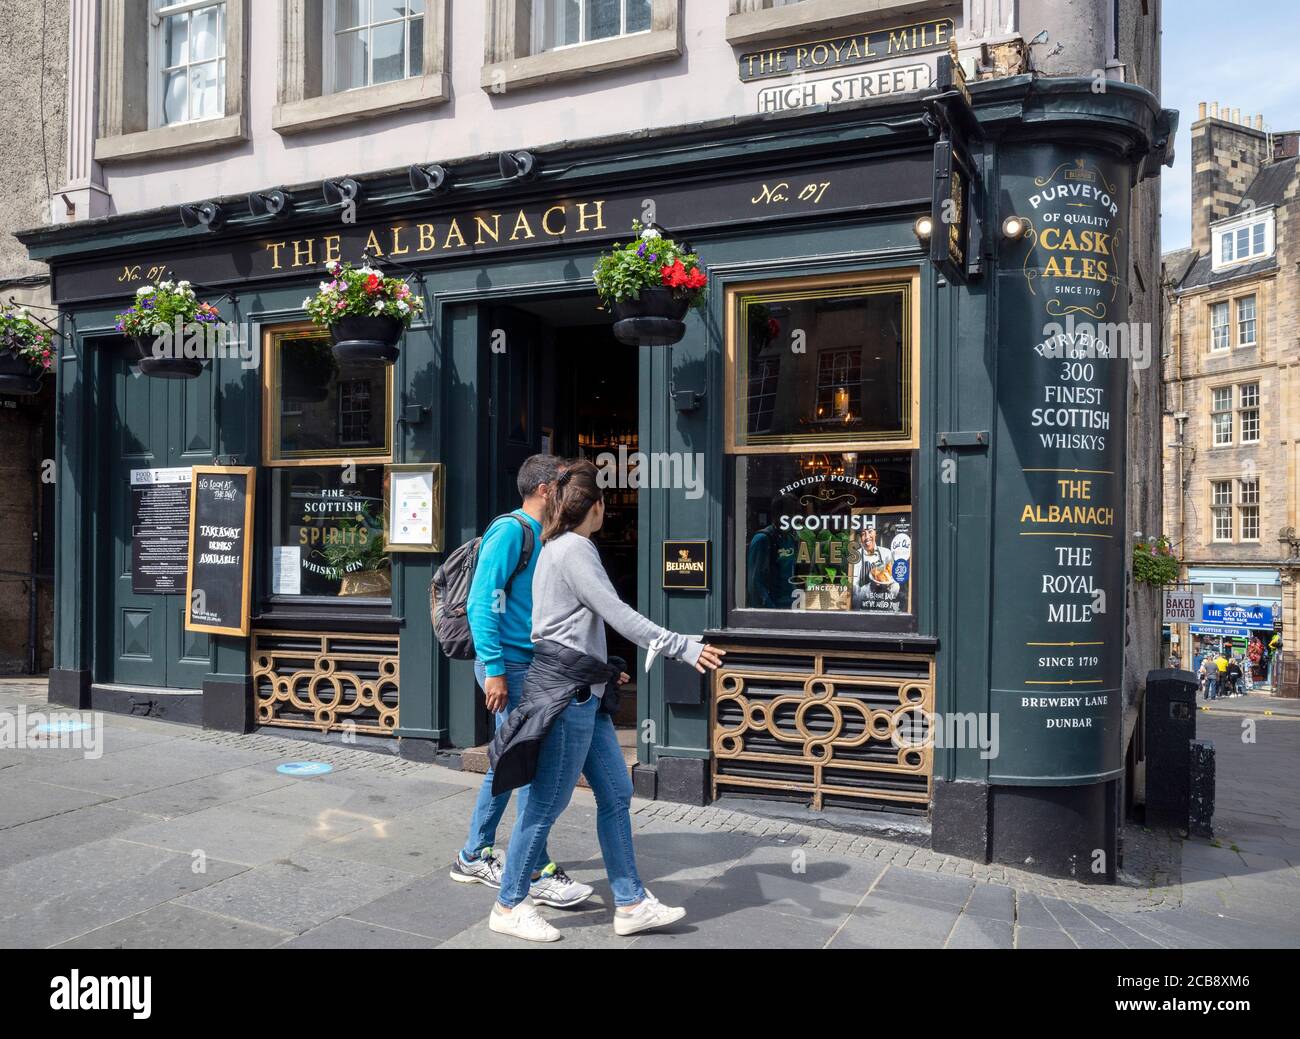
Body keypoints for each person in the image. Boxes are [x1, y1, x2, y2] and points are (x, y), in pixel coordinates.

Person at [487, 459, 726, 943]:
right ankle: (508, 905)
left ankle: (632, 902)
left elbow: (570, 625)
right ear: (596, 506)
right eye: (604, 504)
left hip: (584, 692)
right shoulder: (575, 548)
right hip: (568, 697)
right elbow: (616, 613)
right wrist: (682, 645)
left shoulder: (560, 546)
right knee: (545, 805)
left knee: (615, 795)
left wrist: (604, 664)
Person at [449, 454, 593, 910]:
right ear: (548, 489)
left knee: (508, 760)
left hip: (530, 665)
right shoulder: (511, 531)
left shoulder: (543, 535)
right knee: (527, 760)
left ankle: (474, 854)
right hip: (508, 666)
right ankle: (535, 868)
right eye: (565, 484)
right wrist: (493, 669)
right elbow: (480, 604)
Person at [746, 493, 800, 609]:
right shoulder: (762, 539)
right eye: (790, 512)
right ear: (777, 514)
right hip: (773, 608)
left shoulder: (791, 539)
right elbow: (754, 582)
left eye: (796, 513)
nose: (794, 517)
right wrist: (769, 609)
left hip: (792, 604)